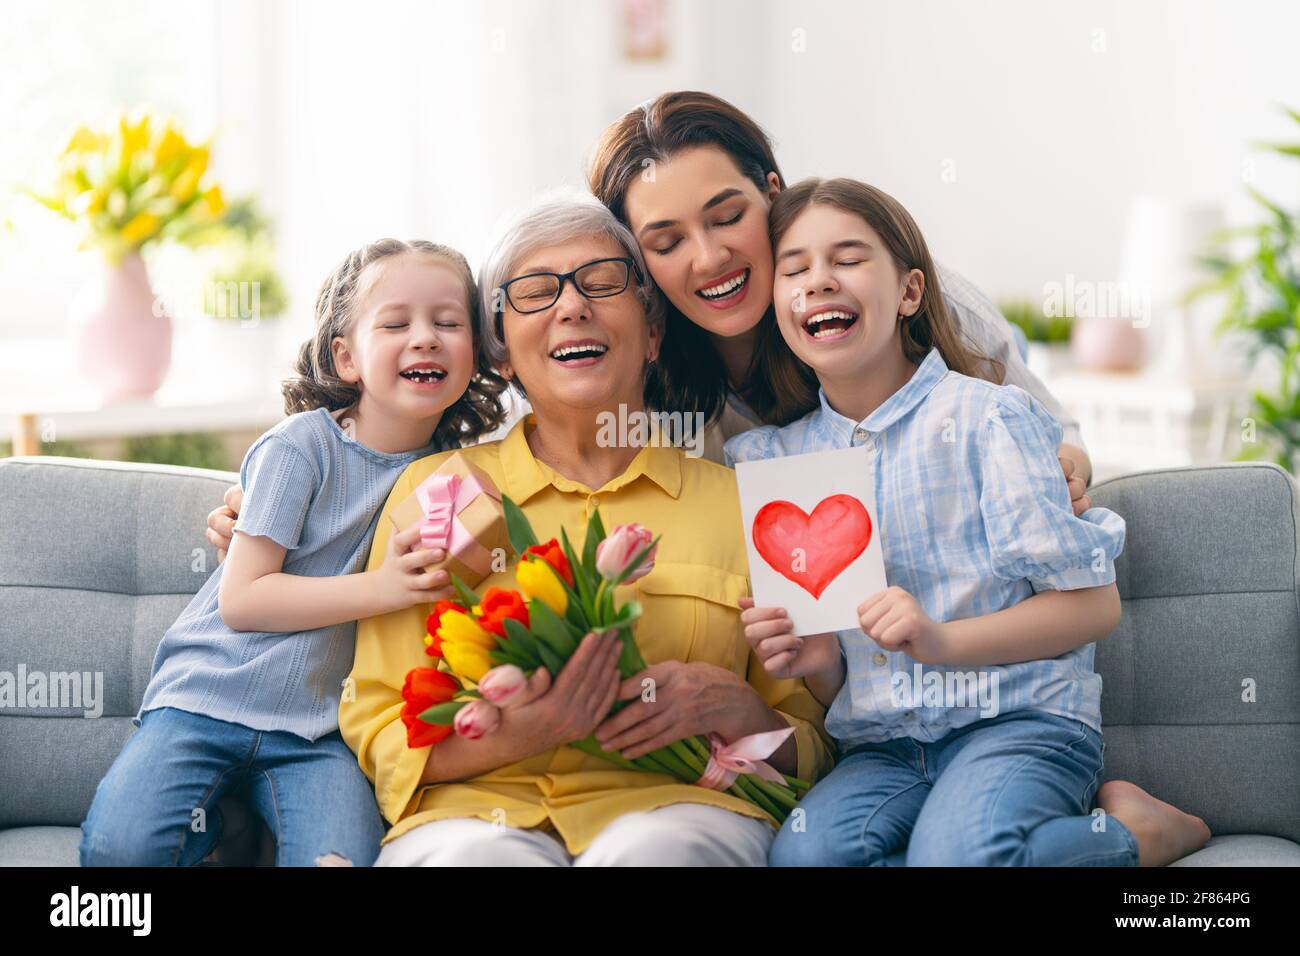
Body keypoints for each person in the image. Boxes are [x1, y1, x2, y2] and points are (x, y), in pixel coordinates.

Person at [337, 194, 835, 866]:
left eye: (602, 282)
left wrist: (743, 710)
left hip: (681, 810)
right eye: (536, 292)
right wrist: (527, 731)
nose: (573, 306)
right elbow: (381, 723)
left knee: (657, 853)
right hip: (473, 821)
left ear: (653, 334)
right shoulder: (438, 491)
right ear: (502, 353)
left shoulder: (745, 505)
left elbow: (816, 740)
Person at [730, 178, 1211, 866]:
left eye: (848, 258)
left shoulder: (988, 420)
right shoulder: (778, 462)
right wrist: (818, 664)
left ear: (910, 292)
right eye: (795, 268)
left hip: (1017, 722)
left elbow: (1092, 605)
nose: (820, 281)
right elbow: (847, 680)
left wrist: (939, 639)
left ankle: (1140, 837)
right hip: (885, 748)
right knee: (803, 860)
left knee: (959, 856)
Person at [80, 239, 507, 866]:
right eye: (395, 323)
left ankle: (238, 826)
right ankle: (223, 826)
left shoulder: (454, 477)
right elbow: (245, 600)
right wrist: (385, 586)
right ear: (347, 356)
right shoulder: (299, 448)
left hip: (321, 733)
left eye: (448, 322)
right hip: (205, 702)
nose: (426, 338)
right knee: (122, 855)